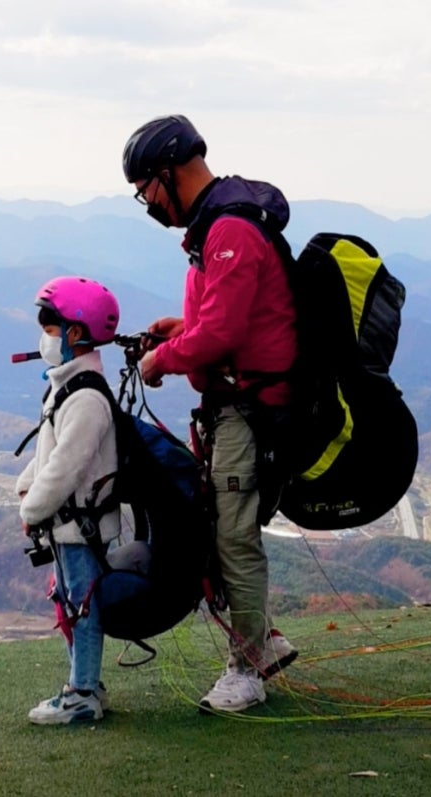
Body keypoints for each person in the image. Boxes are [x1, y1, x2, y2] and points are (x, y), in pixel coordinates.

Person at [122, 115, 299, 713]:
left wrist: (163, 360)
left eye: (146, 188)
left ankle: (247, 668)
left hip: (248, 411)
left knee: (232, 538)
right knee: (223, 532)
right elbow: (224, 322)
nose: (147, 202)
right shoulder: (215, 229)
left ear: (167, 173)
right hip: (234, 406)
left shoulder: (229, 232)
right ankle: (264, 641)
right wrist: (180, 331)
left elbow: (222, 334)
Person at [16, 275, 121, 725]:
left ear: (76, 333)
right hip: (69, 524)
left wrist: (31, 507)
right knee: (70, 601)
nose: (43, 332)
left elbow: (67, 465)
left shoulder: (86, 398)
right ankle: (83, 683)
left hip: (81, 528)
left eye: (49, 322)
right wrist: (29, 490)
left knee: (82, 605)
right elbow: (48, 450)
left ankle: (83, 693)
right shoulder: (68, 387)